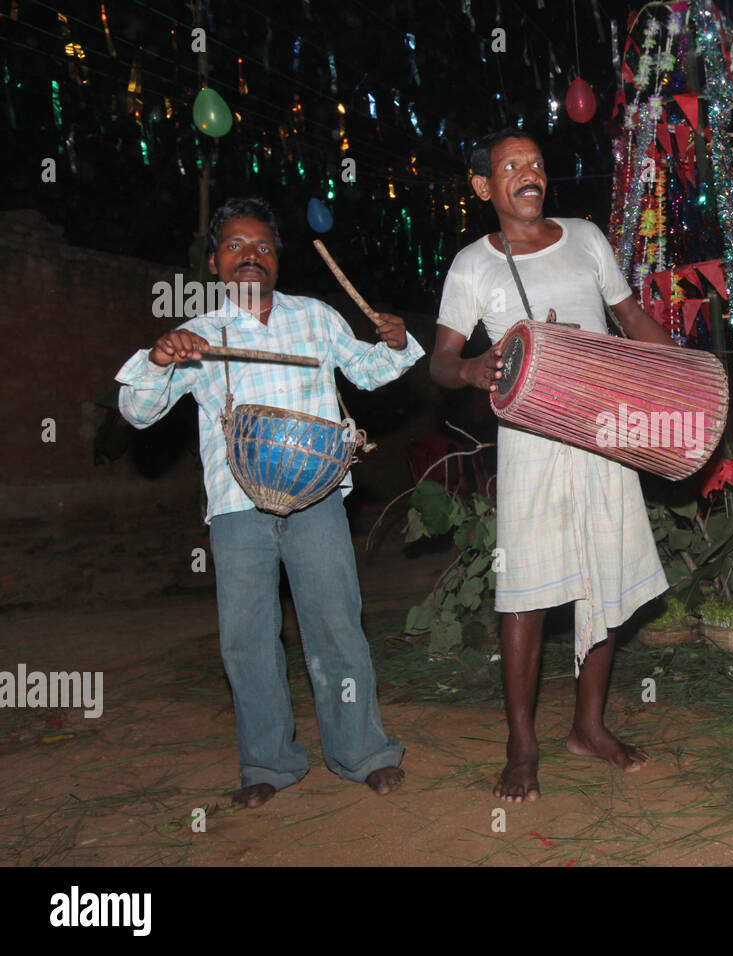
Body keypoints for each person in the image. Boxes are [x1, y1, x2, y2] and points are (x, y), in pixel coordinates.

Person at [116, 197, 423, 807]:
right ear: (213, 262)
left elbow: (368, 371)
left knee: (336, 624)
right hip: (236, 506)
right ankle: (267, 763)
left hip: (317, 497)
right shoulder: (198, 336)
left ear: (277, 260)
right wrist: (157, 359)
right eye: (235, 246)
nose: (249, 257)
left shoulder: (315, 317)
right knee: (248, 637)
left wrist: (395, 341)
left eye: (261, 247)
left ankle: (362, 751)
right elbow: (137, 411)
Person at [429, 130, 673, 803]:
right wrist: (473, 367)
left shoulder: (587, 237)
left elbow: (630, 318)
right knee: (526, 595)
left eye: (534, 163)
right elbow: (440, 361)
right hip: (531, 441)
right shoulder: (472, 265)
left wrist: (688, 373)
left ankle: (588, 728)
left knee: (606, 577)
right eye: (510, 167)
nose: (527, 174)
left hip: (603, 432)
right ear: (485, 188)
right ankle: (522, 743)